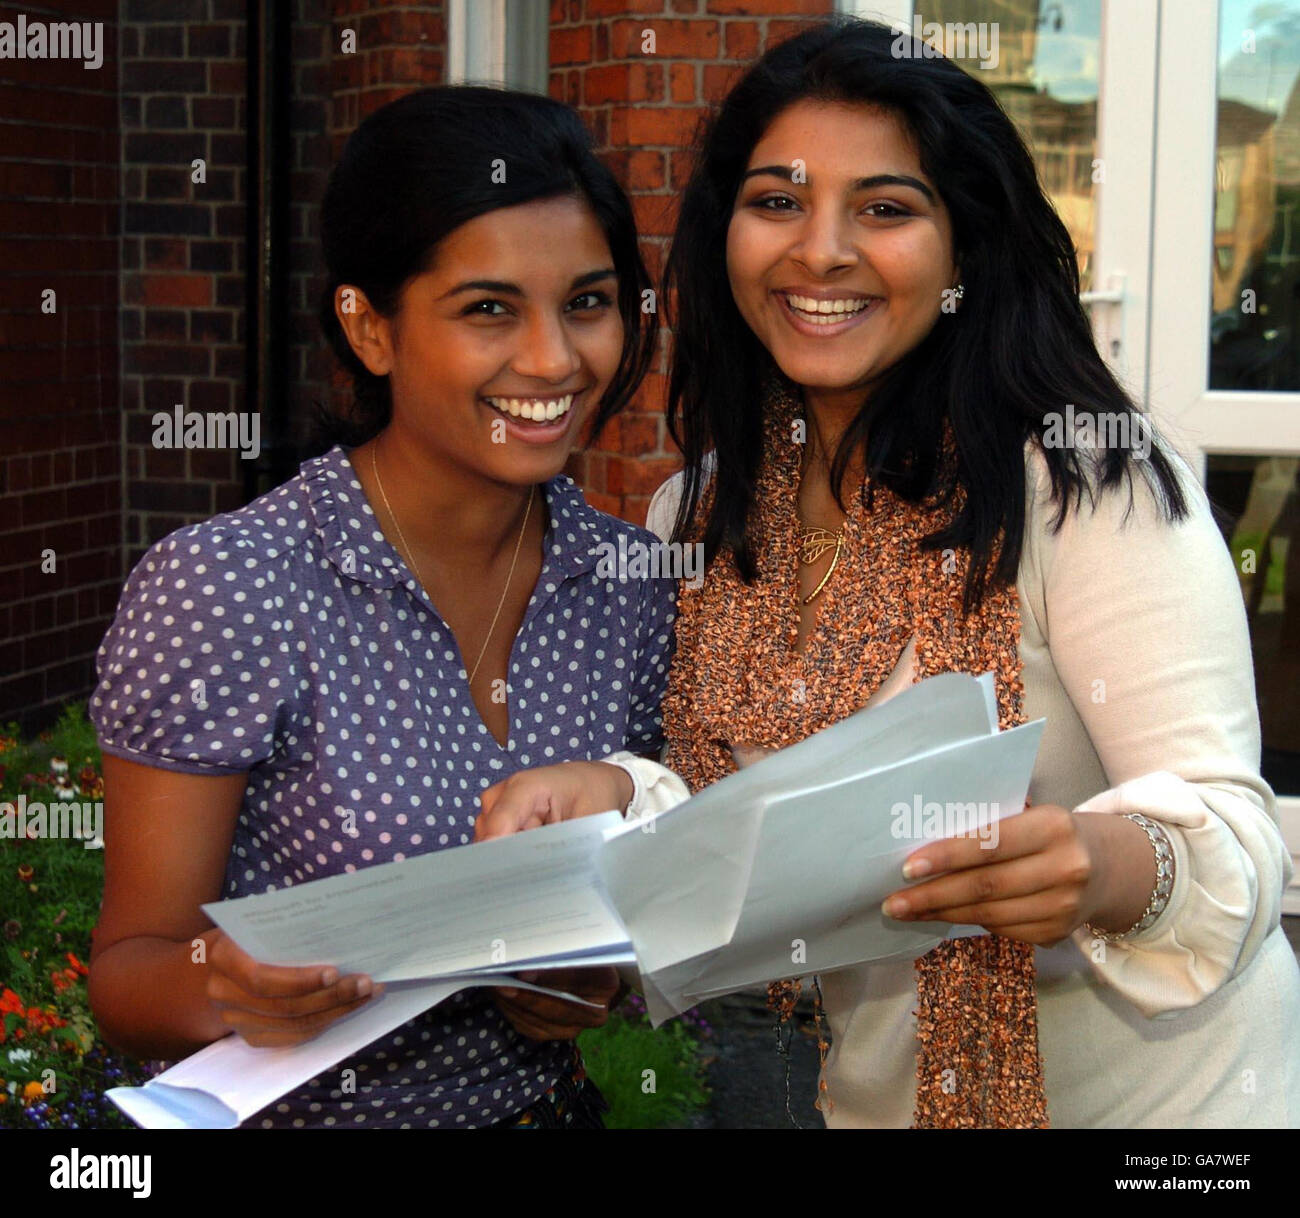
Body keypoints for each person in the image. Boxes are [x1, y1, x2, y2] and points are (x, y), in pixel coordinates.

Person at [480, 18, 1300, 1128]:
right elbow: (765, 822)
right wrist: (621, 794)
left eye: (885, 208)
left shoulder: (1081, 481)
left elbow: (1234, 835)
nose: (820, 251)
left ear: (967, 242)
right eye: (777, 201)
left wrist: (1102, 866)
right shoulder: (706, 509)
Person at [86, 85, 676, 1129]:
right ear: (369, 328)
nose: (553, 359)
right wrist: (226, 984)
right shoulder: (235, 585)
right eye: (488, 308)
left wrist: (586, 982)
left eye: (586, 302)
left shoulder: (632, 586)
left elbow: (637, 887)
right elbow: (129, 975)